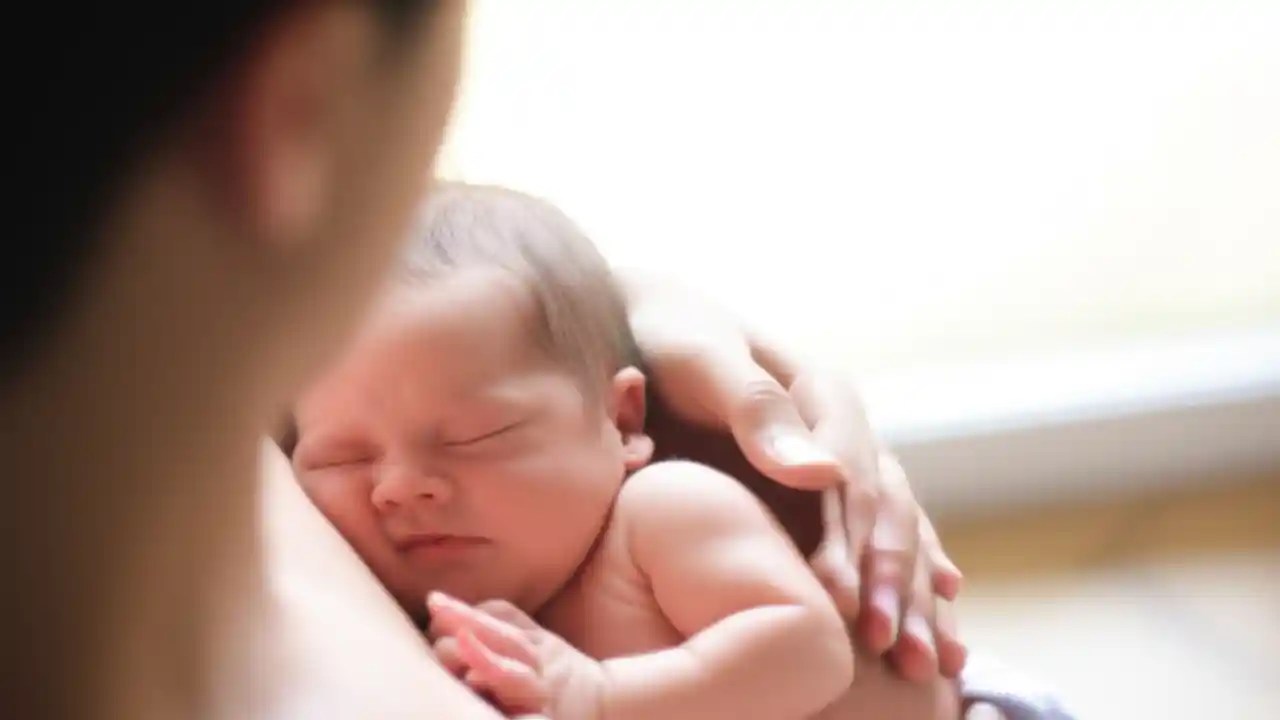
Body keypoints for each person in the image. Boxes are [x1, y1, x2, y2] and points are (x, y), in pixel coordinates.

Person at [4, 1, 996, 718]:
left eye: (477, 433)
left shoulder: (658, 519)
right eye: (338, 460)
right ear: (295, 91)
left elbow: (805, 649)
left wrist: (604, 695)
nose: (398, 490)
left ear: (620, 424)